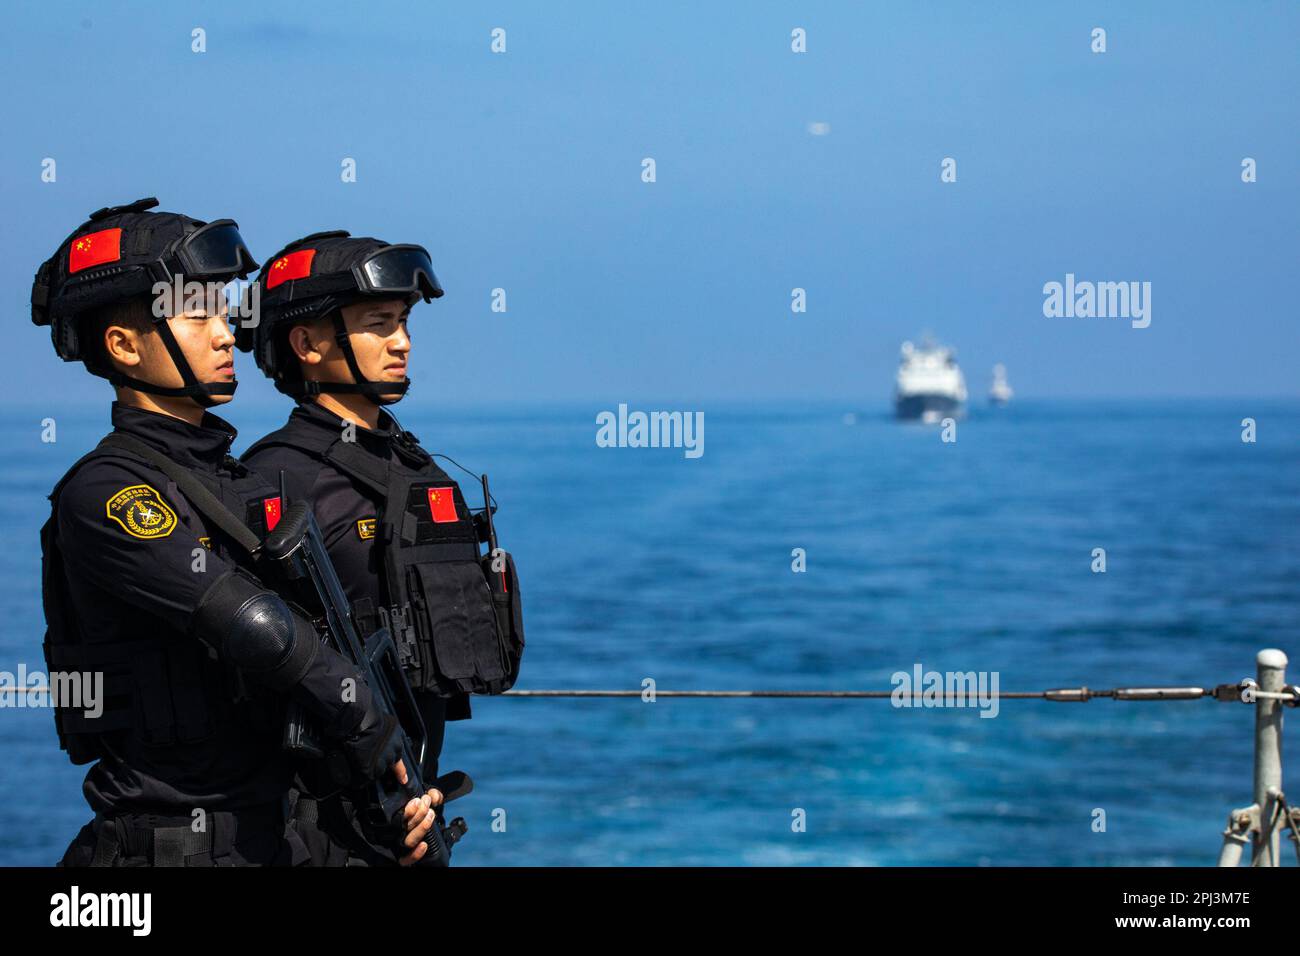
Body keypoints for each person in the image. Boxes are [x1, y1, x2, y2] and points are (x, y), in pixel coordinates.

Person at [31, 199, 442, 866]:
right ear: (125, 345)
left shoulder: (241, 484)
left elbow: (329, 640)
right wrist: (369, 721)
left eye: (224, 311)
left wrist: (396, 794)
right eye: (198, 315)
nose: (225, 334)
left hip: (275, 837)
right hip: (163, 847)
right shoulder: (106, 491)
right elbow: (255, 627)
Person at [237, 230, 524, 865]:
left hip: (417, 818)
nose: (403, 342)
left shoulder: (425, 476)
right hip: (309, 832)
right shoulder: (277, 480)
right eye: (378, 325)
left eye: (402, 322)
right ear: (307, 344)